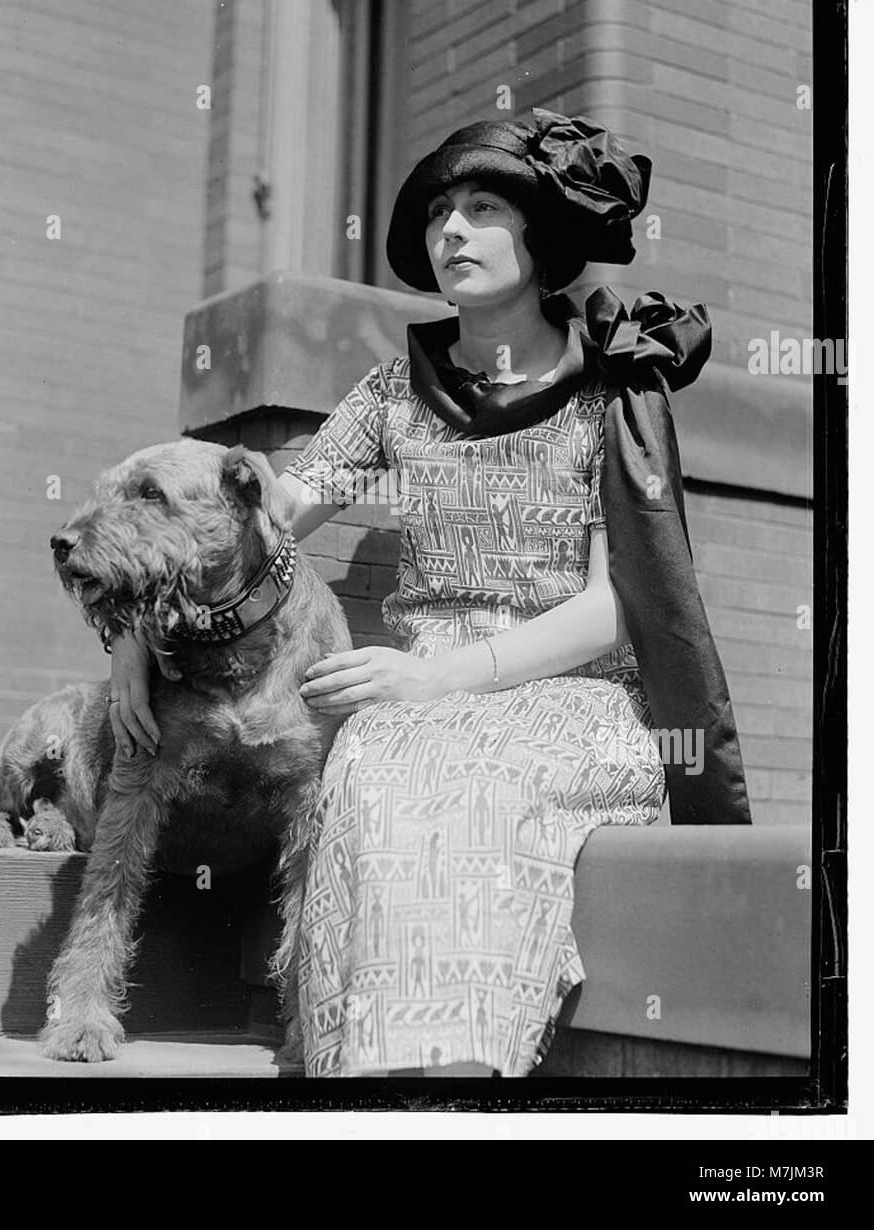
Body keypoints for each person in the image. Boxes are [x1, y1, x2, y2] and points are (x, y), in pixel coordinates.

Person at [108, 110, 750, 1078]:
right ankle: (373, 1075)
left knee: (473, 790)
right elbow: (265, 511)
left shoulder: (611, 387)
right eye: (441, 211)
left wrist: (442, 679)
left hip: (568, 695)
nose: (451, 229)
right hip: (410, 688)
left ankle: (464, 1072)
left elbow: (617, 603)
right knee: (371, 770)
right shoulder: (393, 392)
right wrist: (141, 622)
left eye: (483, 207)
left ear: (542, 238)